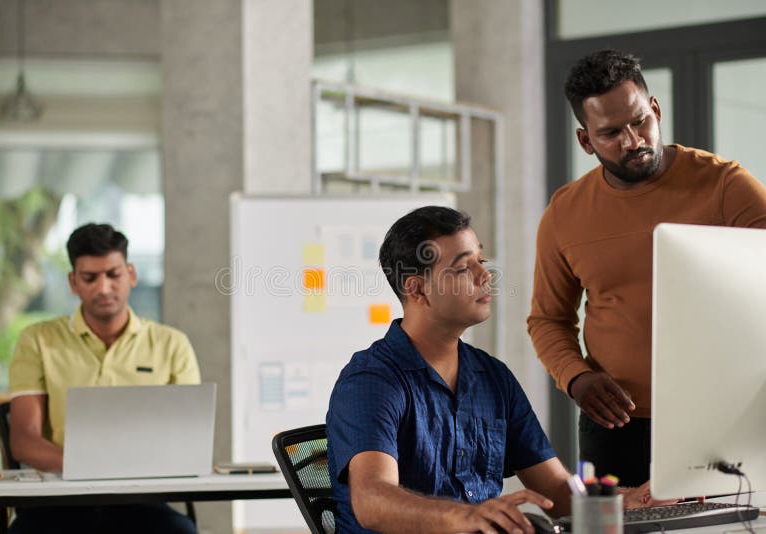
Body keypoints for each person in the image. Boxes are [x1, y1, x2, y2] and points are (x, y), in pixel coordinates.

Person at [326, 206, 665, 534]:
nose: (485, 275)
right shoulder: (372, 380)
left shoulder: (493, 377)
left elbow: (558, 493)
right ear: (418, 289)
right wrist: (469, 516)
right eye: (463, 268)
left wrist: (629, 499)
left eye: (481, 260)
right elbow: (372, 501)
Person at [528, 49, 766, 487]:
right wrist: (575, 377)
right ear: (586, 141)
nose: (634, 140)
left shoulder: (726, 185)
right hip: (617, 425)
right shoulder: (564, 213)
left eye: (640, 121)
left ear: (655, 108)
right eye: (612, 132)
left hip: (723, 413)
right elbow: (547, 320)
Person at [7, 223, 201, 534]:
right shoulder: (38, 340)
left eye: (113, 275)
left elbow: (190, 438)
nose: (104, 288)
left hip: (143, 498)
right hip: (59, 500)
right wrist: (90, 464)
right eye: (89, 278)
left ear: (132, 274)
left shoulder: (172, 344)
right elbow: (23, 440)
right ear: (73, 281)